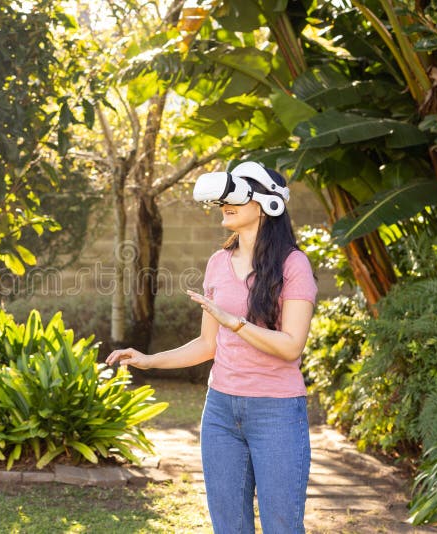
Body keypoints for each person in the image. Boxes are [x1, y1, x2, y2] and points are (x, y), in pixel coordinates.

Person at [106, 163, 317, 534]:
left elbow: (290, 347)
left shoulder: (293, 264)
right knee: (229, 527)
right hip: (220, 411)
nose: (226, 203)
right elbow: (208, 345)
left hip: (277, 412)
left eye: (240, 192)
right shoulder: (218, 263)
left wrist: (234, 321)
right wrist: (148, 360)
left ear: (268, 203)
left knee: (282, 526)